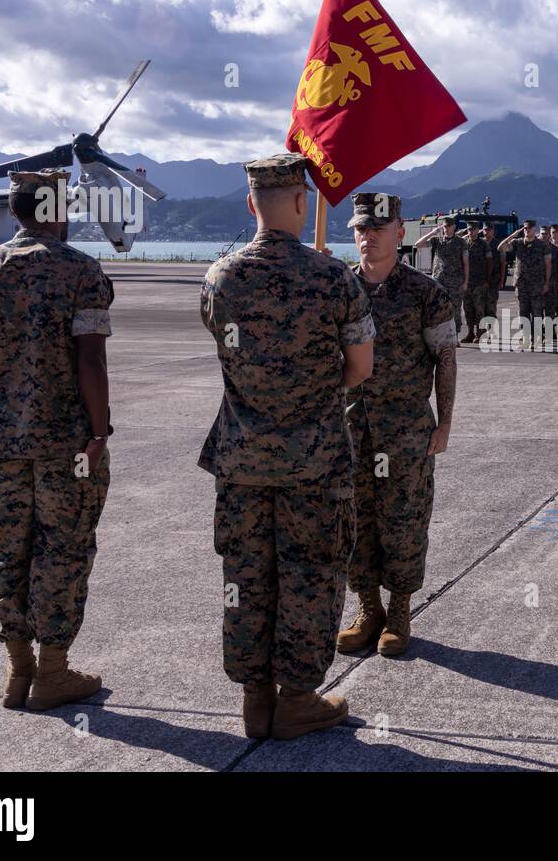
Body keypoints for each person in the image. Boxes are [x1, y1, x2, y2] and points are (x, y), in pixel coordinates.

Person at [198, 154, 375, 740]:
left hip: (241, 459)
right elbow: (359, 371)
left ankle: (254, 699)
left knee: (246, 574)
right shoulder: (334, 279)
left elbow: (229, 353)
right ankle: (296, 698)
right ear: (302, 203)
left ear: (251, 204)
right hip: (315, 462)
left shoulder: (219, 276)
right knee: (311, 575)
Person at [0, 168, 113, 712]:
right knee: (63, 548)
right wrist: (98, 429)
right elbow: (90, 356)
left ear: (16, 212)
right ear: (57, 212)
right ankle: (53, 672)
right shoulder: (80, 271)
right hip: (66, 444)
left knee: (8, 548)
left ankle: (18, 670)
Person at [338, 193, 457, 658]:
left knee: (404, 523)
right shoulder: (340, 290)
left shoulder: (426, 292)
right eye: (360, 229)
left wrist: (444, 423)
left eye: (378, 229)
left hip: (406, 432)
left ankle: (401, 609)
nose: (367, 237)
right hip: (350, 431)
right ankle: (368, 609)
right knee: (355, 522)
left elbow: (446, 359)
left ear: (399, 233)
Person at [497, 219, 553, 350]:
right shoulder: (518, 243)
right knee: (523, 313)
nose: (527, 231)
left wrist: (546, 282)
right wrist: (514, 235)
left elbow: (548, 265)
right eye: (526, 228)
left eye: (530, 228)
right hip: (521, 284)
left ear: (535, 229)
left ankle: (537, 338)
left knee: (537, 313)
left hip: (537, 284)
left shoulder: (543, 245)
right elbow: (500, 248)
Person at [414, 216, 468, 336]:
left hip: (455, 282)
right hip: (439, 281)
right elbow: (418, 244)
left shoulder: (461, 242)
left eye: (448, 226)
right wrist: (432, 233)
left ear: (454, 227)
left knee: (455, 309)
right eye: (444, 226)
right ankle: (439, 334)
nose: (446, 228)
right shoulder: (437, 240)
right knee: (437, 308)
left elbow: (466, 263)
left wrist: (465, 282)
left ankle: (455, 335)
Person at [461, 224, 492, 343]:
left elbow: (490, 262)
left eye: (473, 229)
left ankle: (479, 333)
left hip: (479, 282)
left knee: (479, 308)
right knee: (467, 308)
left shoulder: (484, 244)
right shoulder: (463, 243)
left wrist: (487, 280)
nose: (470, 231)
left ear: (477, 230)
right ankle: (470, 332)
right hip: (466, 282)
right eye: (468, 229)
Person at [483, 222, 503, 322]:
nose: (486, 232)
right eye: (485, 229)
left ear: (493, 231)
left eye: (489, 230)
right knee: (480, 307)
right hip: (480, 280)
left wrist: (501, 281)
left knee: (491, 306)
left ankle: (491, 332)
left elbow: (503, 264)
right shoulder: (480, 243)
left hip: (493, 280)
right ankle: (479, 332)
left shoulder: (498, 245)